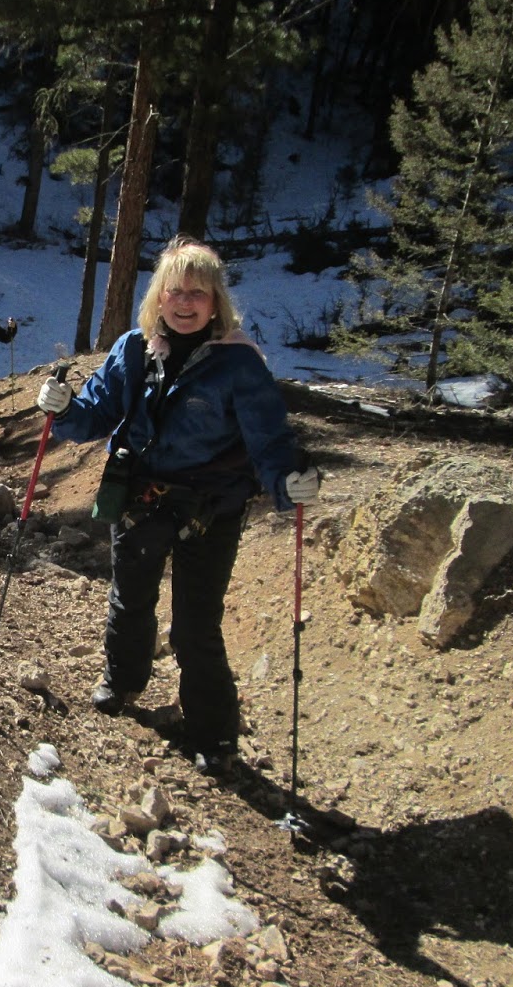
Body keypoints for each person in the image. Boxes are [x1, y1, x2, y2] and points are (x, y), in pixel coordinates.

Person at [34, 236, 320, 766]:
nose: (185, 302)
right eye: (175, 291)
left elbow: (270, 440)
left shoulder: (239, 363)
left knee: (196, 622)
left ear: (216, 303)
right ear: (158, 297)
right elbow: (95, 414)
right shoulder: (133, 348)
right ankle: (122, 681)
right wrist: (65, 406)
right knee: (131, 598)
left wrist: (287, 484)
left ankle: (213, 733)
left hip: (213, 506)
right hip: (141, 496)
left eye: (199, 292)